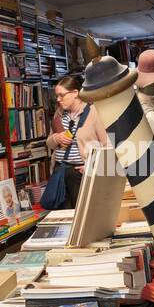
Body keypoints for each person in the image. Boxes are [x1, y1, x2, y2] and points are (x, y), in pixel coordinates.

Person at [45, 74, 107, 207]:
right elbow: (49, 143)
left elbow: (107, 145)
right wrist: (57, 138)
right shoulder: (59, 113)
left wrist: (91, 166)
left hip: (80, 174)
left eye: (62, 95)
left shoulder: (94, 112)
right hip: (60, 171)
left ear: (75, 93)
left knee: (82, 214)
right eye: (57, 96)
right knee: (62, 216)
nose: (58, 99)